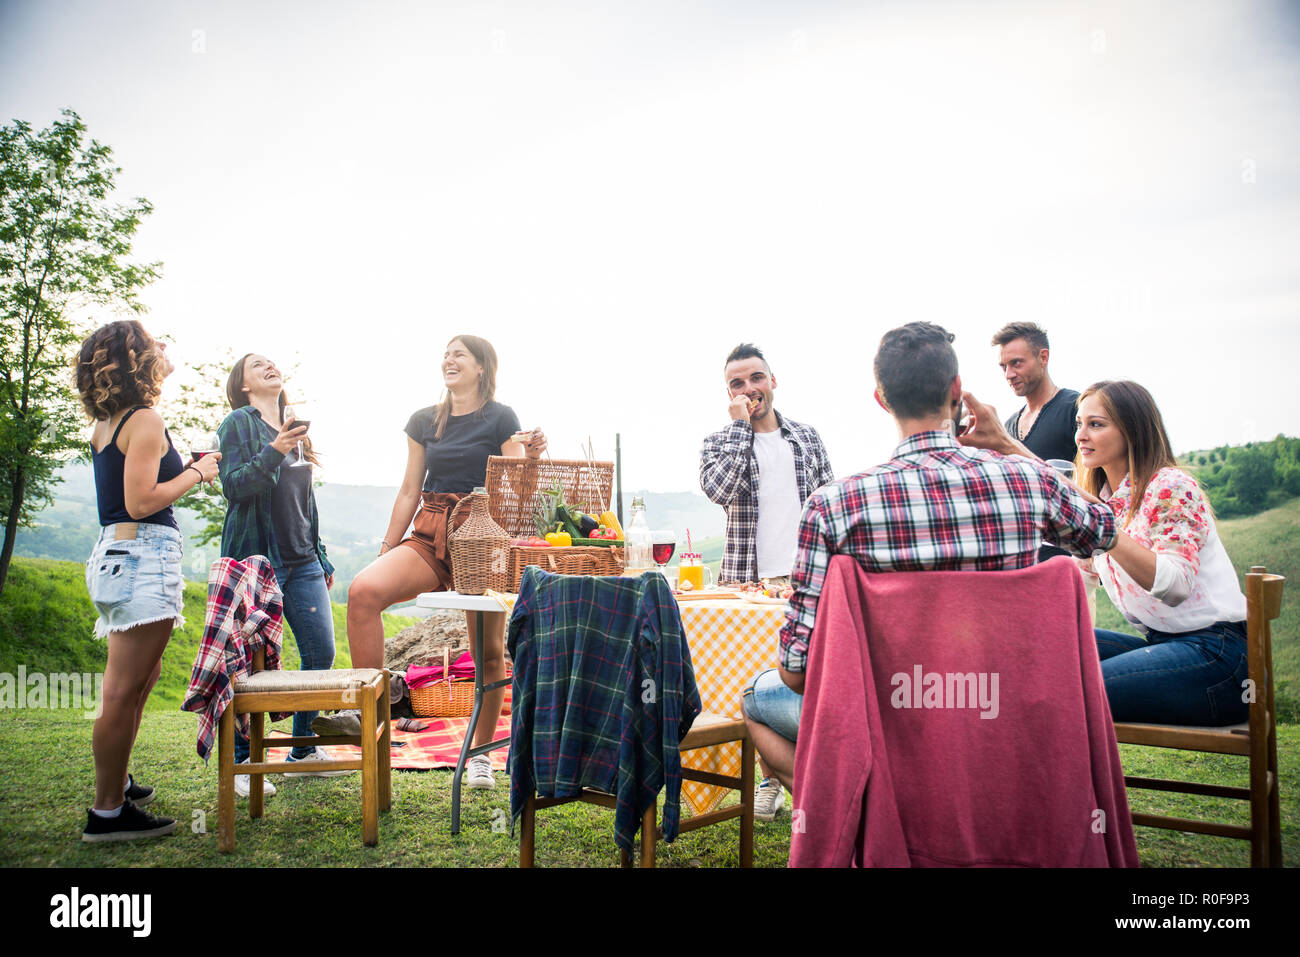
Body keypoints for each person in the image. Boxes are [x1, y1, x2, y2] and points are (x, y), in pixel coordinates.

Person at [742, 322, 1118, 810]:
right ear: (958, 391)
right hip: (1001, 717)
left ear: (881, 399)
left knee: (755, 698)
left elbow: (797, 672)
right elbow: (1104, 529)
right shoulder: (1029, 482)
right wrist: (1009, 446)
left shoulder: (834, 507)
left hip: (897, 717)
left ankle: (870, 812)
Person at [961, 381, 1249, 726]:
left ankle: (1068, 781)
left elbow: (1174, 586)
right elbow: (1077, 581)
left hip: (1220, 660)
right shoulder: (1108, 500)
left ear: (1133, 431)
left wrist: (1010, 446)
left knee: (1068, 692)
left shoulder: (1169, 486)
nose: (1081, 435)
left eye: (1096, 424)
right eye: (1079, 424)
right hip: (1161, 645)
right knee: (1029, 649)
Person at [338, 335, 545, 789]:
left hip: (484, 537)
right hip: (432, 528)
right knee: (363, 592)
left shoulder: (502, 417)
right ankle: (368, 713)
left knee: (488, 654)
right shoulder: (424, 421)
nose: (449, 360)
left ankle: (481, 756)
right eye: (446, 354)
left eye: (460, 354)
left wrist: (531, 459)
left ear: (481, 368)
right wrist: (389, 547)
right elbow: (410, 489)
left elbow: (517, 491)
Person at [74, 320, 221, 842]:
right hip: (141, 553)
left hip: (117, 551)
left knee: (140, 681)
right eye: (155, 343)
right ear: (136, 359)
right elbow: (142, 501)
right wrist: (198, 474)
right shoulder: (146, 419)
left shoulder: (112, 419)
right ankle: (107, 813)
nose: (165, 348)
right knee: (121, 690)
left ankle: (118, 781)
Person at [699, 343, 833, 822]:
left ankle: (776, 778)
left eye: (755, 378)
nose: (749, 389)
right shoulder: (720, 442)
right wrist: (739, 426)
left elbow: (830, 503)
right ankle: (767, 777)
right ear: (729, 393)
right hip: (747, 581)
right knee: (752, 675)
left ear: (773, 381)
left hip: (804, 579)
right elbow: (721, 490)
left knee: (798, 678)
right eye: (737, 383)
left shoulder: (807, 438)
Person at [218, 353, 348, 795]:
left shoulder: (295, 428)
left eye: (272, 362)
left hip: (302, 562)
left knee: (320, 654)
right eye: (257, 365)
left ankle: (302, 749)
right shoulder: (238, 423)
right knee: (246, 668)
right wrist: (273, 451)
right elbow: (234, 487)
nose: (269, 366)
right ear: (243, 385)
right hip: (256, 563)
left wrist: (321, 556)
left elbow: (304, 504)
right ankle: (241, 762)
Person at [992, 322, 1081, 561]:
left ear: (1043, 357)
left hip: (1071, 558)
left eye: (1016, 363)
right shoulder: (1008, 426)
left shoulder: (1076, 408)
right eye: (1004, 366)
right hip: (1024, 561)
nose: (1009, 374)